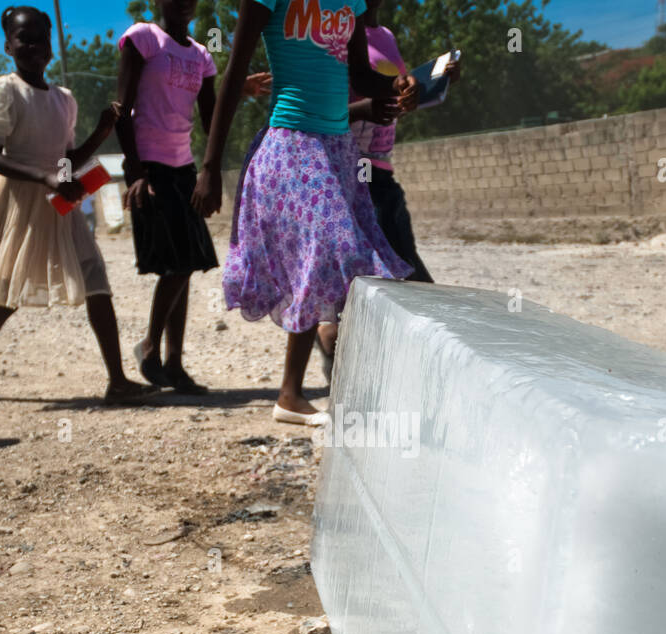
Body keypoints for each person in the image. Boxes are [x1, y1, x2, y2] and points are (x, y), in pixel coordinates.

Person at [191, 0, 416, 427]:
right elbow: (235, 71)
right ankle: (300, 387)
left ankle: (294, 393)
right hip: (292, 142)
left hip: (338, 146)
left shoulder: (352, 3)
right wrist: (210, 166)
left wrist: (400, 86)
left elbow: (362, 75)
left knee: (329, 260)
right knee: (337, 249)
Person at [0, 5, 158, 406]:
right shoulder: (4, 89)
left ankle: (118, 380)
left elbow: (65, 160)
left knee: (96, 280)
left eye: (42, 37)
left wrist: (98, 134)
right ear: (8, 46)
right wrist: (42, 177)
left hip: (59, 201)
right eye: (24, 38)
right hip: (18, 201)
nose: (34, 45)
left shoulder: (64, 99)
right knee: (8, 288)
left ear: (51, 47)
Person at [114, 0, 271, 395]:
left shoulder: (201, 56)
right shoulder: (144, 38)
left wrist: (241, 91)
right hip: (149, 167)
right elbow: (122, 110)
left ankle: (173, 364)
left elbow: (209, 117)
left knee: (184, 265)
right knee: (177, 264)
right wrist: (134, 173)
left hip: (183, 168)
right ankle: (149, 345)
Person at [348, 0, 460, 285]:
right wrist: (361, 110)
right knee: (402, 269)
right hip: (353, 165)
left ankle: (331, 326)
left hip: (381, 163)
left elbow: (397, 96)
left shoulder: (386, 36)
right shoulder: (341, 31)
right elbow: (326, 101)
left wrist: (436, 83)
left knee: (389, 266)